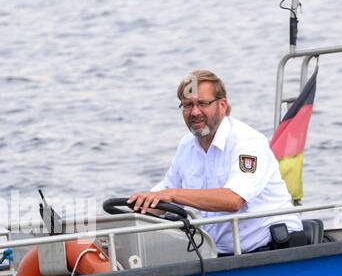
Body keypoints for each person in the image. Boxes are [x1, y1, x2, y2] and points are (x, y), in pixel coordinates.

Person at [129, 69, 305, 255]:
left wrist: (171, 195)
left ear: (222, 105)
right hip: (217, 255)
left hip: (274, 254)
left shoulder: (247, 142)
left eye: (202, 103)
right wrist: (135, 209)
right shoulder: (186, 146)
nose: (195, 112)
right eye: (188, 105)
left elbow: (233, 200)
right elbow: (165, 193)